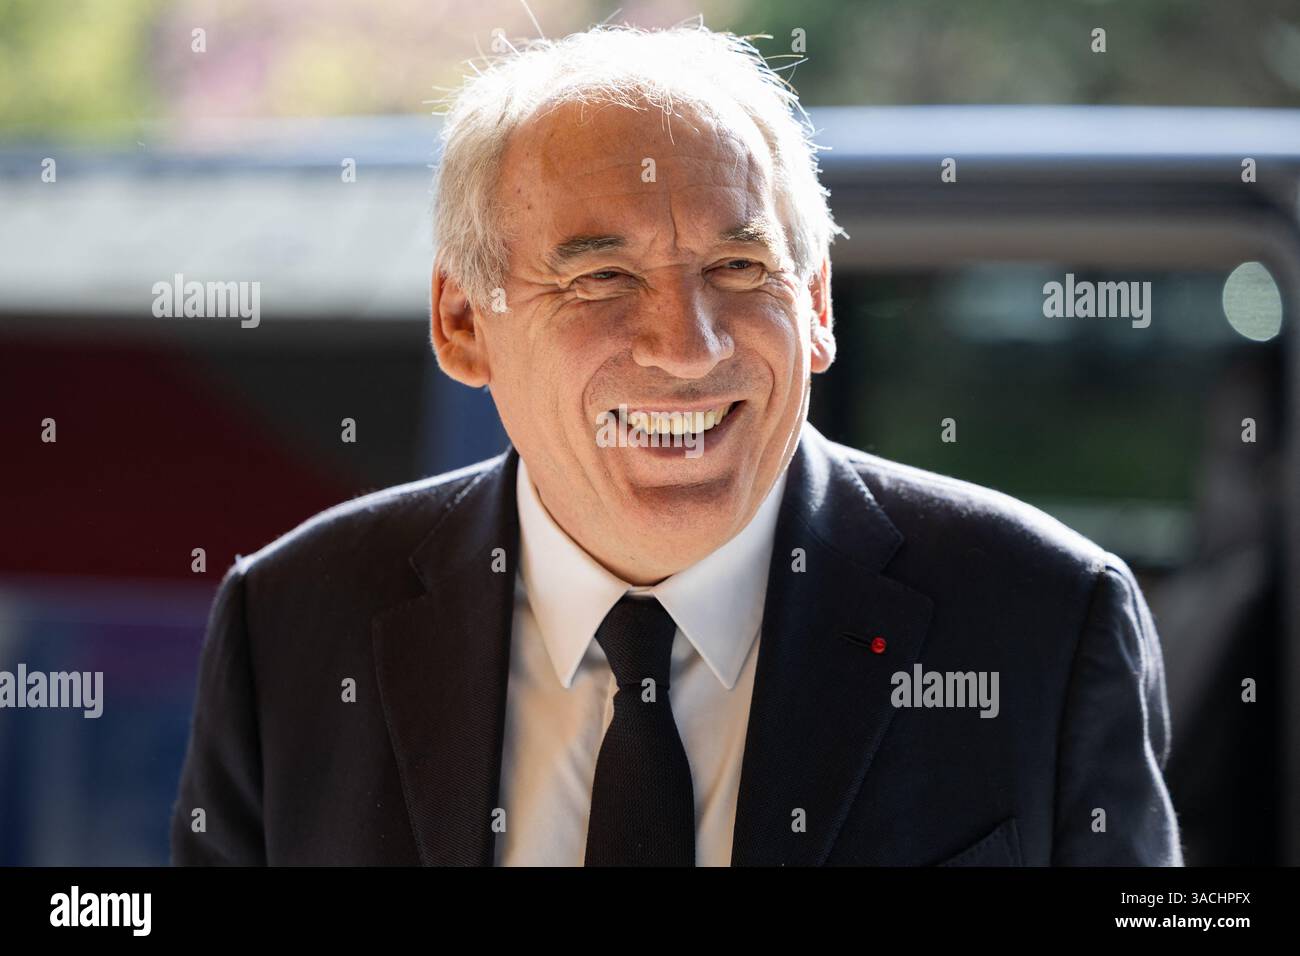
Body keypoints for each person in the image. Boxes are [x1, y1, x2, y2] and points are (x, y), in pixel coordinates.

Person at [170, 23, 1183, 866]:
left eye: (740, 267)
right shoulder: (296, 623)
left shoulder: (1043, 620)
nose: (687, 347)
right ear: (462, 323)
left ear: (817, 302)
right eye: (600, 280)